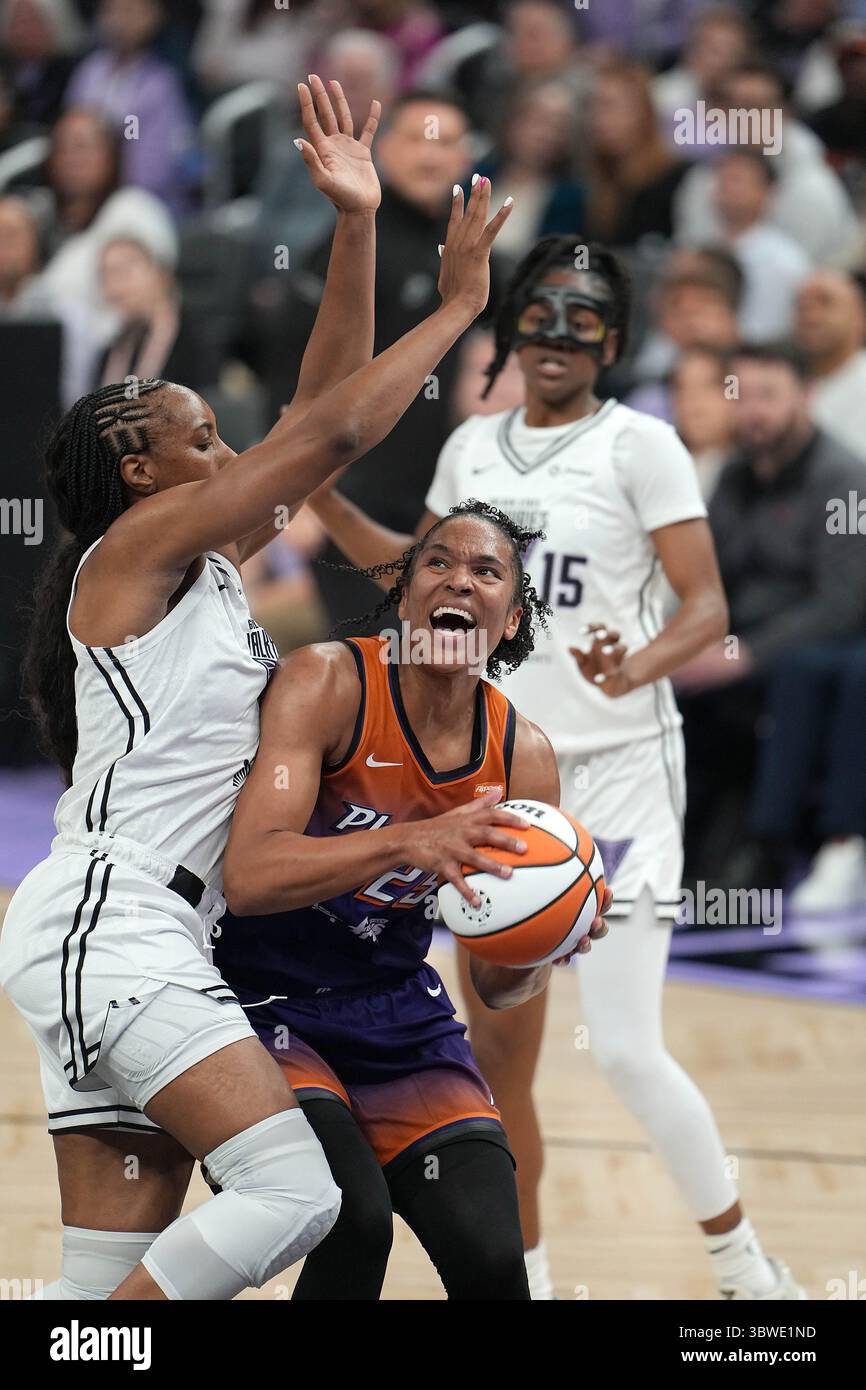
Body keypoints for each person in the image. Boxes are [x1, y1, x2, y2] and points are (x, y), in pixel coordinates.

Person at [0, 75, 513, 1302]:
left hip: (140, 935)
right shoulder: (127, 555)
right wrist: (450, 310)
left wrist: (351, 225)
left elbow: (315, 412)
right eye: (202, 442)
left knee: (106, 1292)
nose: (234, 456)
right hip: (117, 928)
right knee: (299, 1195)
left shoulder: (193, 567)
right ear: (140, 468)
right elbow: (327, 438)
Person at [306, 235, 805, 1301]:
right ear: (512, 325)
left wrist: (642, 663)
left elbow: (707, 606)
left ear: (611, 342)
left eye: (582, 319)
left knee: (623, 1047)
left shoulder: (643, 446)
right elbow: (414, 571)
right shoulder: (473, 448)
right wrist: (322, 499)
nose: (556, 335)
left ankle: (739, 1265)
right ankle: (518, 1280)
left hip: (620, 774)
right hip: (499, 786)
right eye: (540, 312)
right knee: (497, 1065)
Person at [214, 501, 611, 1300]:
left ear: (509, 622)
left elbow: (496, 988)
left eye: (486, 571)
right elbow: (249, 877)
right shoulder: (326, 681)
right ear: (404, 599)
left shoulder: (521, 757)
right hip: (258, 1003)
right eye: (437, 563)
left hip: (396, 1013)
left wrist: (543, 945)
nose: (458, 578)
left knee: (495, 1262)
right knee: (351, 1222)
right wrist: (407, 841)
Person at [677, 342, 866, 887]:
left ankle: (764, 852)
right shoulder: (735, 475)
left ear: (806, 397)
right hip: (736, 638)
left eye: (769, 396)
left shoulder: (844, 478)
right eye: (742, 394)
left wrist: (743, 656)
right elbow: (706, 578)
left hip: (817, 647)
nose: (753, 410)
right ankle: (661, 844)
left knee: (798, 674)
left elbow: (842, 604)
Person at [63, 0, 195, 213]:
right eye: (112, 10)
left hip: (141, 203)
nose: (120, 21)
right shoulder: (88, 72)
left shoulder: (161, 84)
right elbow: (70, 134)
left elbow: (154, 167)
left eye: (130, 11)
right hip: (83, 197)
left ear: (152, 18)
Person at [584, 59, 691, 249]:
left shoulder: (676, 180)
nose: (598, 118)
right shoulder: (595, 185)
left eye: (609, 106)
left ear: (643, 112)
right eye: (592, 107)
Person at [94, 234, 220, 394]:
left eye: (121, 272)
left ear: (159, 274)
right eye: (104, 277)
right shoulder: (111, 351)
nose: (112, 288)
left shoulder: (197, 340)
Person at [713, 148, 811, 340]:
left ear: (766, 192)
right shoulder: (699, 247)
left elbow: (767, 334)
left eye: (737, 180)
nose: (727, 188)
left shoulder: (784, 262)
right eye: (722, 180)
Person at [795, 268, 866, 463]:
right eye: (801, 306)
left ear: (859, 318)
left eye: (825, 302)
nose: (810, 314)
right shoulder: (789, 384)